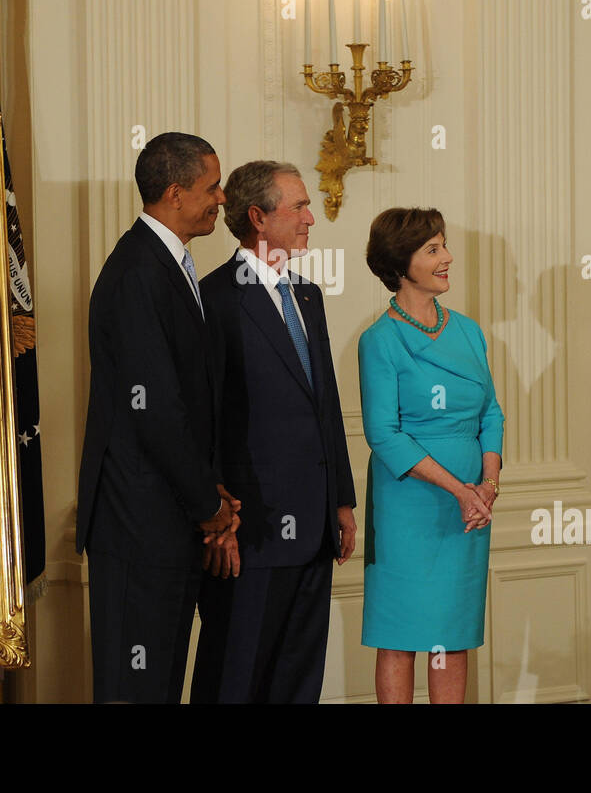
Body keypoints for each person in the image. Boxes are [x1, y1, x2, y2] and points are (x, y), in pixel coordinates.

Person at [75, 131, 238, 703]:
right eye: (212, 186)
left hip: (161, 518)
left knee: (160, 683)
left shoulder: (166, 264)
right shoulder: (140, 271)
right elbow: (157, 409)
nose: (221, 198)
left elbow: (189, 399)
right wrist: (209, 506)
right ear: (174, 193)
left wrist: (208, 494)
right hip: (138, 519)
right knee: (136, 687)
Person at [190, 161, 356, 704]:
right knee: (236, 681)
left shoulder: (308, 296)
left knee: (298, 681)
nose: (312, 217)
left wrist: (343, 503)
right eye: (300, 207)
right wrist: (218, 524)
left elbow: (325, 405)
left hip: (313, 526)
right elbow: (202, 419)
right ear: (258, 217)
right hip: (249, 529)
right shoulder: (212, 300)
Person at [357, 207, 503, 703]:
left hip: (470, 505)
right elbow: (384, 434)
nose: (448, 258)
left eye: (444, 246)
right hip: (408, 503)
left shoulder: (468, 331)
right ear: (402, 263)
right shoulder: (379, 340)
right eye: (433, 249)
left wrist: (487, 484)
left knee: (451, 630)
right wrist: (459, 489)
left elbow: (492, 414)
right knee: (399, 633)